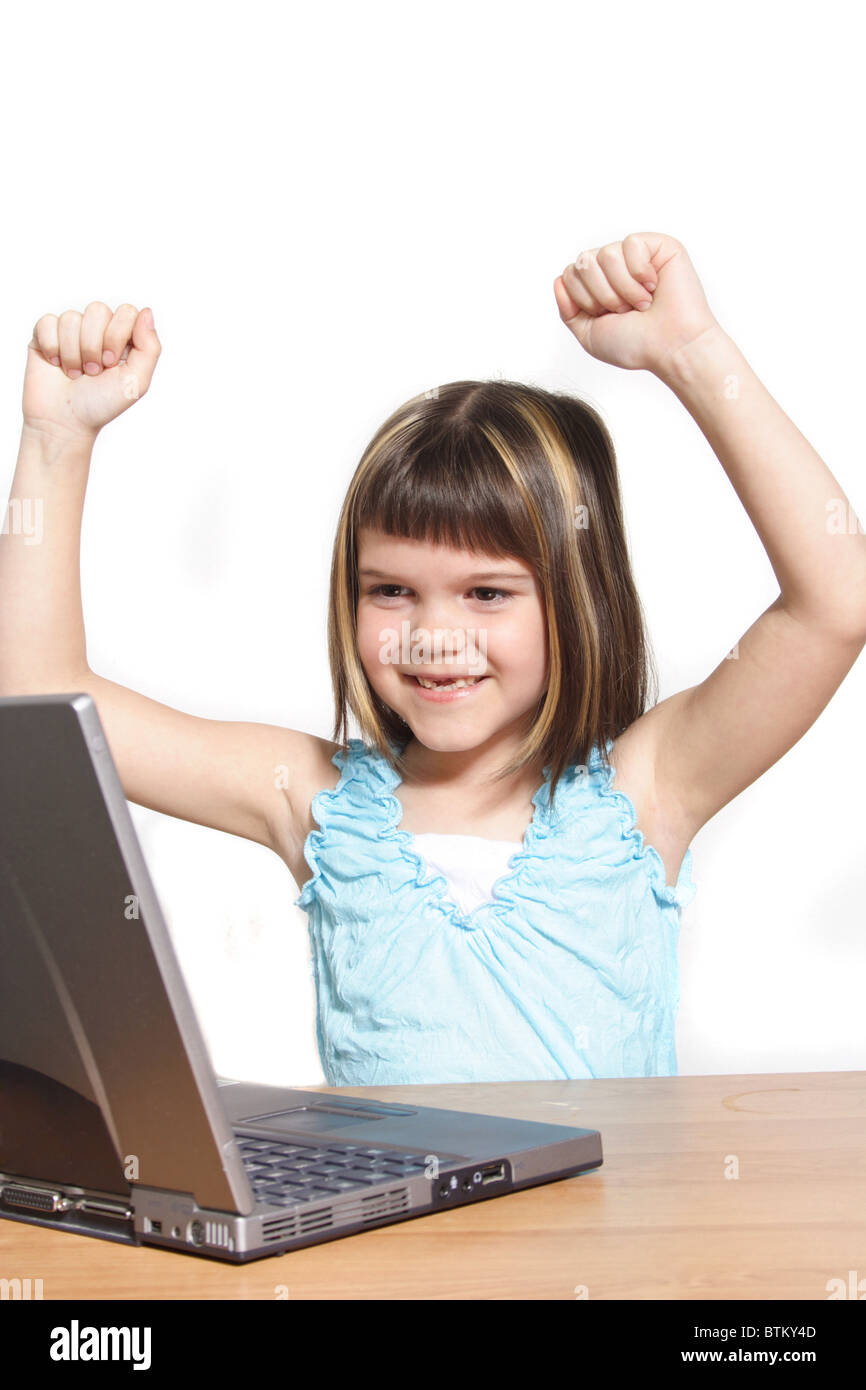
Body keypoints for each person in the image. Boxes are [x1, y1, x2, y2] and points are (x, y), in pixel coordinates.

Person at [3, 232, 864, 1086]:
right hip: (403, 1230)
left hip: (613, 1229)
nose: (433, 635)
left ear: (577, 599)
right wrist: (55, 440)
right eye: (391, 591)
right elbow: (39, 697)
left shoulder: (649, 791)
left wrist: (691, 353)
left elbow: (836, 602)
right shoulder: (310, 798)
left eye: (487, 593)